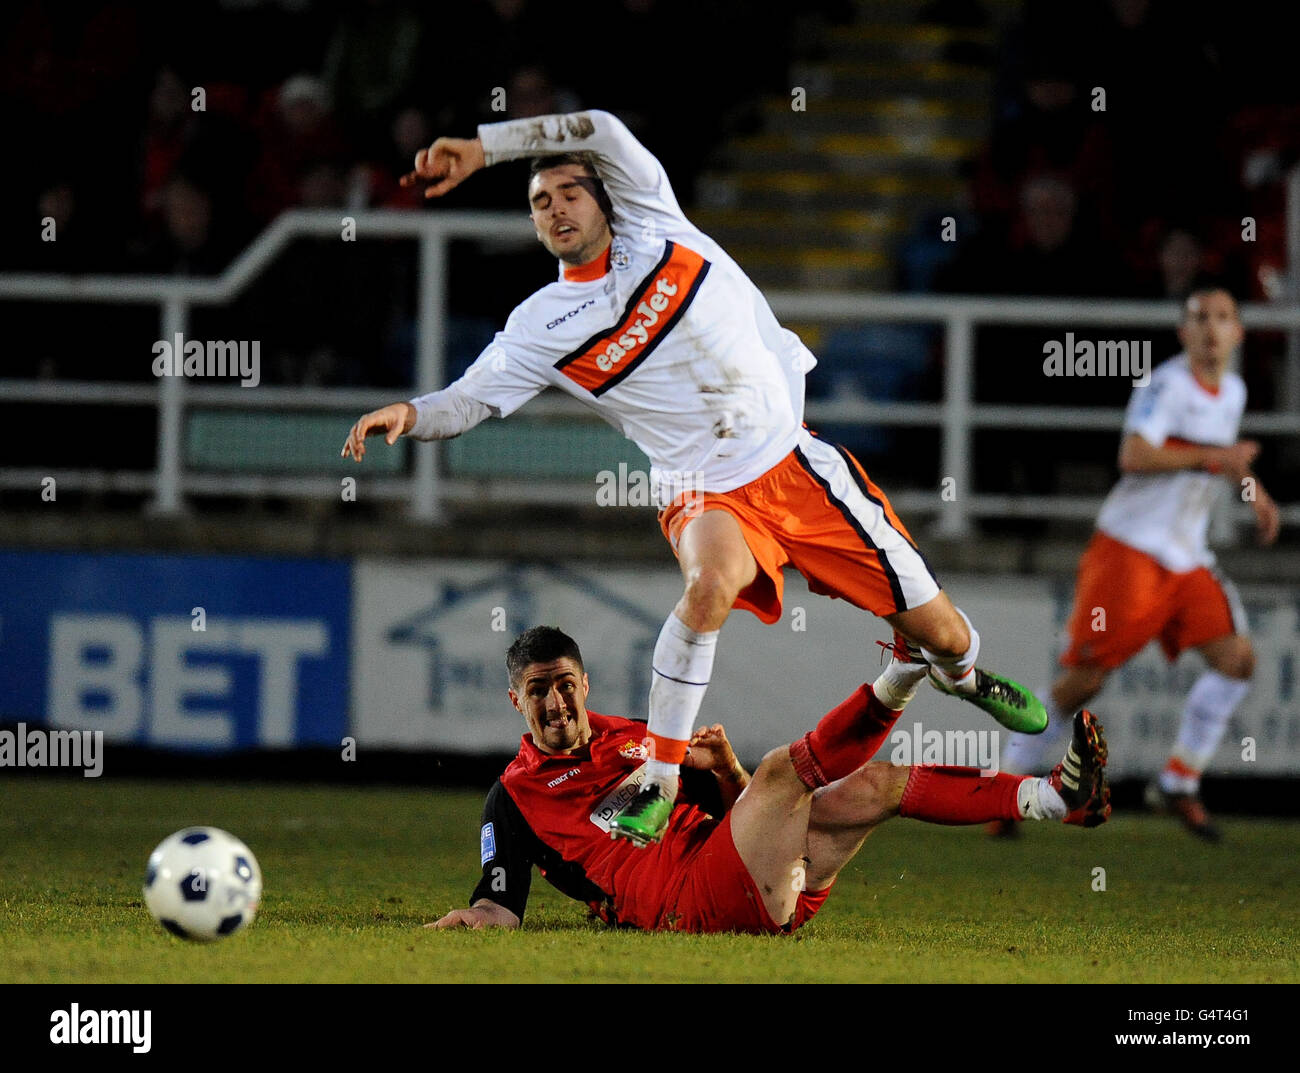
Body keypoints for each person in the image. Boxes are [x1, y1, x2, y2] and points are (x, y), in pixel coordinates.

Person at [342, 109, 1048, 848]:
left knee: (947, 635)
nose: (556, 209)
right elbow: (472, 396)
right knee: (708, 587)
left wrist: (485, 148)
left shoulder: (655, 221)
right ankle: (661, 777)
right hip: (701, 485)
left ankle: (960, 675)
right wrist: (410, 412)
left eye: (569, 193)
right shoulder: (541, 325)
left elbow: (604, 127)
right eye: (540, 203)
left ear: (605, 197)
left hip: (791, 464)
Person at [428, 626, 1109, 934]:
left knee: (878, 785)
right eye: (538, 691)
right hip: (684, 906)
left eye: (565, 685)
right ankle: (903, 668)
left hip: (745, 883)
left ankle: (1052, 796)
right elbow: (499, 906)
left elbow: (744, 817)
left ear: (586, 683)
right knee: (788, 771)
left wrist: (727, 771)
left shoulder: (638, 735)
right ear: (516, 700)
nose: (555, 704)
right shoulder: (512, 796)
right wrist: (463, 922)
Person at [997, 288, 1281, 841]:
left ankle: (1177, 781)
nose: (1211, 329)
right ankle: (1006, 785)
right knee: (1084, 682)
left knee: (1237, 661)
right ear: (1183, 332)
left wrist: (1254, 490)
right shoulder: (1166, 385)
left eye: (1223, 319)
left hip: (1186, 557)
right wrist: (1215, 460)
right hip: (1130, 551)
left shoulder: (1234, 391)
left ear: (1239, 332)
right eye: (1200, 318)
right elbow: (1134, 455)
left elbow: (1219, 461)